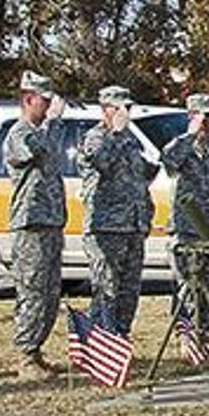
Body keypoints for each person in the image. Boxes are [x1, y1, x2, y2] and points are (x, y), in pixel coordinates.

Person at [78, 85, 157, 335]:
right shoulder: (97, 137)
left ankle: (120, 339)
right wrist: (115, 133)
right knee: (107, 291)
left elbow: (138, 177)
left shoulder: (129, 139)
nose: (126, 112)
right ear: (106, 110)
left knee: (129, 290)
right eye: (121, 107)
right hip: (106, 227)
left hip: (133, 225)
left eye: (129, 108)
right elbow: (101, 163)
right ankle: (101, 344)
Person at [3, 71, 68, 376]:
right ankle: (25, 354)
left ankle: (37, 349)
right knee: (31, 290)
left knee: (50, 291)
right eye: (44, 100)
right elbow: (35, 150)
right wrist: (53, 121)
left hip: (51, 221)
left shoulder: (44, 131)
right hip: (30, 224)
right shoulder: (19, 133)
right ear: (28, 99)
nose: (49, 106)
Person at [161, 93, 209, 334]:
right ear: (192, 116)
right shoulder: (180, 145)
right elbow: (169, 162)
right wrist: (192, 133)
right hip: (187, 230)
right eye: (206, 115)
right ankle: (188, 337)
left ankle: (208, 333)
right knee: (189, 289)